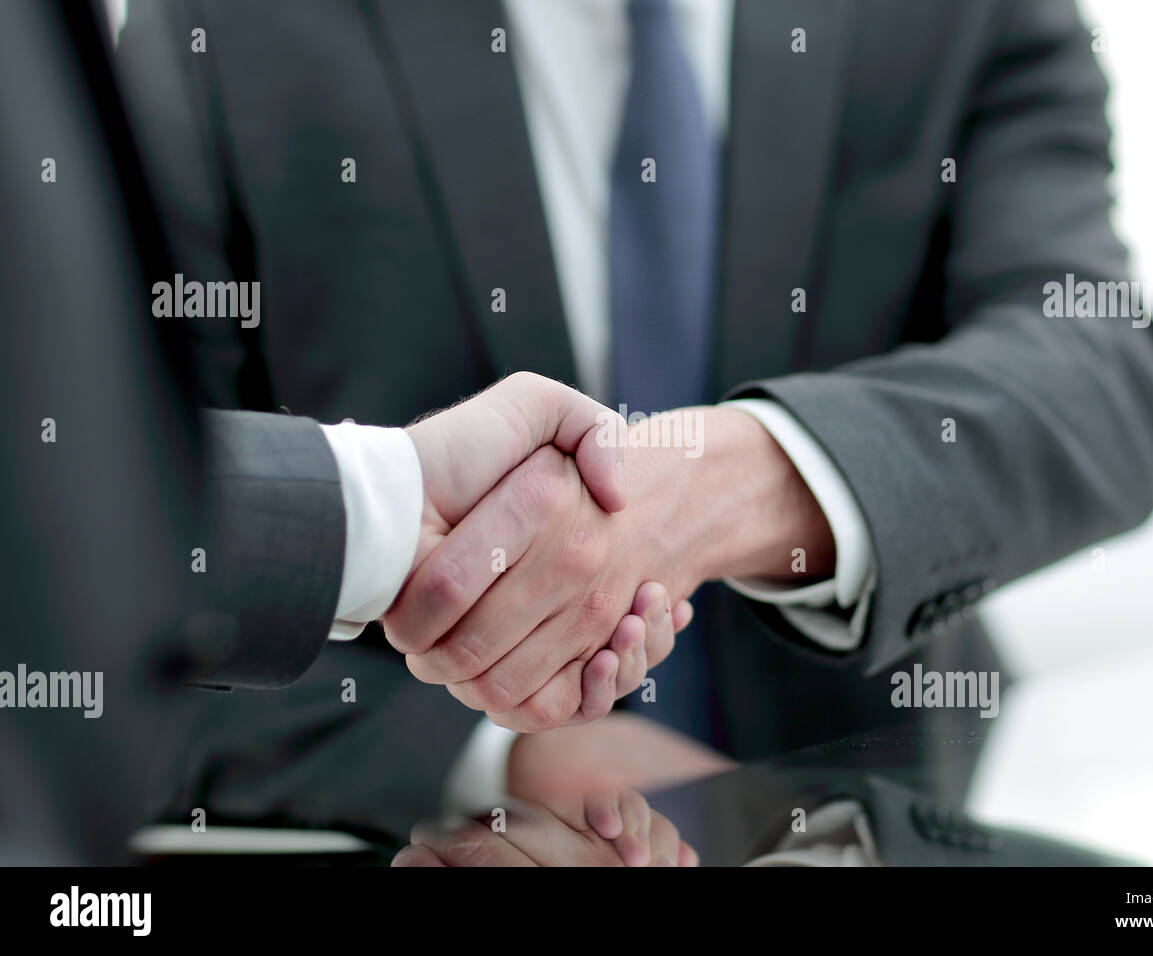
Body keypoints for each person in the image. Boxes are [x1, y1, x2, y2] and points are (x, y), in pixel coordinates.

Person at [112, 0, 1153, 832]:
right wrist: (499, 757)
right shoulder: (223, 33)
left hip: (877, 819)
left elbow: (1095, 367)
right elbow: (122, 554)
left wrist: (723, 482)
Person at [0, 0, 676, 863]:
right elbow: (84, 554)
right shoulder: (218, 32)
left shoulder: (893, 33)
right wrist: (505, 753)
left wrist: (399, 504)